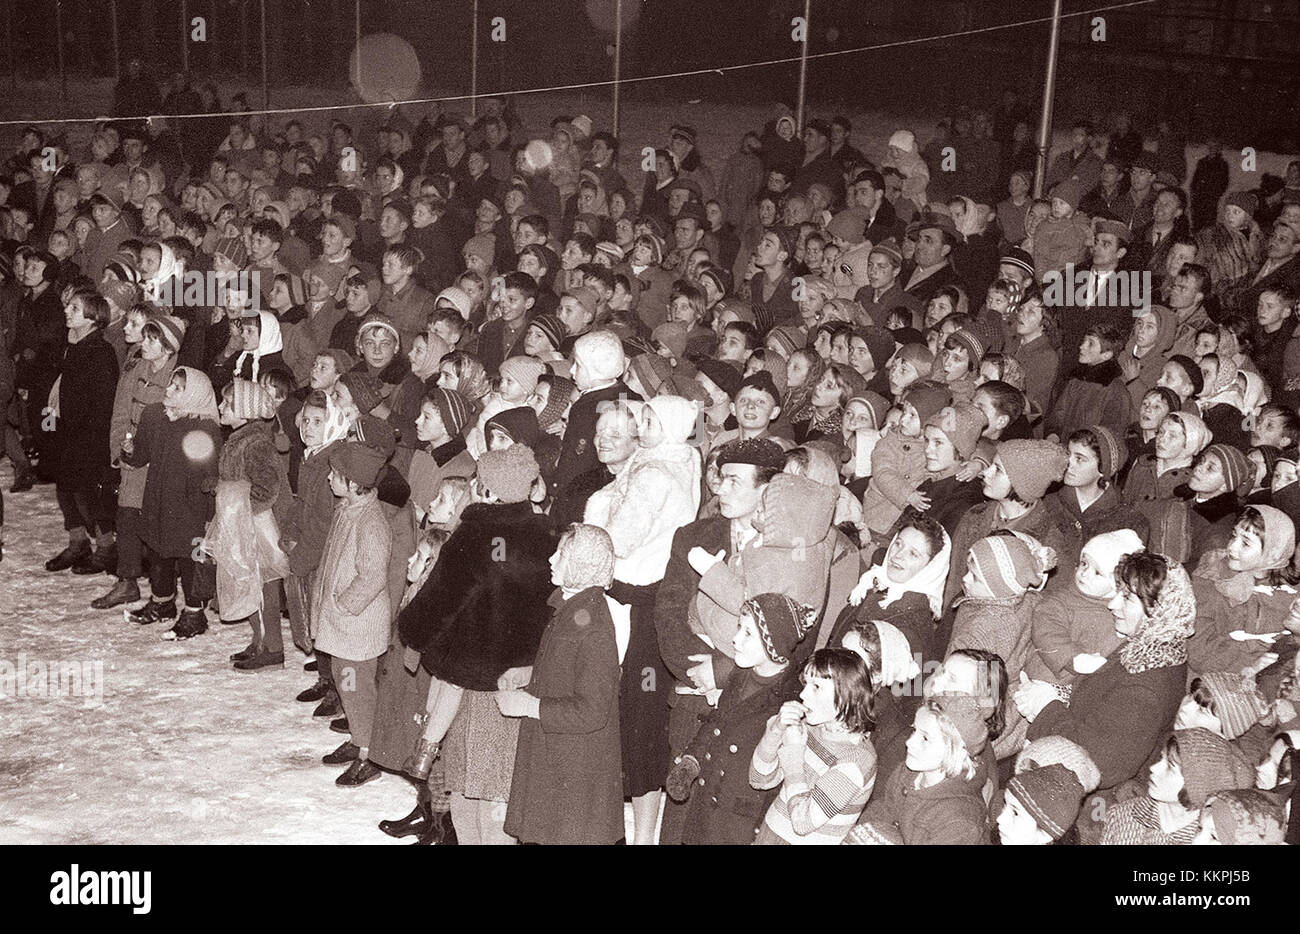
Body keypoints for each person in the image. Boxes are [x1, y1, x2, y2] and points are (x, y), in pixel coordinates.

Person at [500, 523, 624, 845]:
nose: (551, 559)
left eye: (562, 554)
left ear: (583, 564)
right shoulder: (571, 608)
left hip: (572, 767)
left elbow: (593, 710)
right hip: (557, 757)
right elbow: (569, 670)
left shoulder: (593, 626)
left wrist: (531, 705)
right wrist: (529, 673)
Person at [665, 592, 814, 845]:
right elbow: (715, 724)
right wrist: (691, 761)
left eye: (748, 633)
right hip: (706, 808)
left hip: (738, 825)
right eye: (738, 628)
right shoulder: (740, 675)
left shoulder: (790, 700)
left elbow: (780, 775)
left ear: (773, 645)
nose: (735, 640)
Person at [121, 366, 222, 640]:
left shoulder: (205, 429)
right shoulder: (156, 417)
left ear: (194, 394)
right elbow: (141, 454)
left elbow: (211, 476)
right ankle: (162, 602)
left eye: (178, 388)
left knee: (191, 561)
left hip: (191, 508)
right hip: (158, 500)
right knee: (158, 552)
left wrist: (210, 515)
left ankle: (193, 612)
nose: (169, 390)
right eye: (170, 384)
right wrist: (130, 451)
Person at [313, 440, 392, 786]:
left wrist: (343, 605)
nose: (330, 478)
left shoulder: (371, 522)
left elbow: (372, 575)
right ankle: (359, 739)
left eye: (335, 474)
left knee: (357, 692)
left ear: (353, 482)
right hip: (344, 626)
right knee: (347, 685)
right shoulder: (348, 509)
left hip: (357, 627)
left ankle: (369, 753)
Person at [750, 648, 878, 844]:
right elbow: (759, 779)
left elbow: (803, 822)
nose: (803, 694)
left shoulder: (858, 759)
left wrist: (794, 753)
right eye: (806, 684)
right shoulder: (813, 727)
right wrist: (775, 731)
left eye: (816, 687)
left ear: (846, 695)